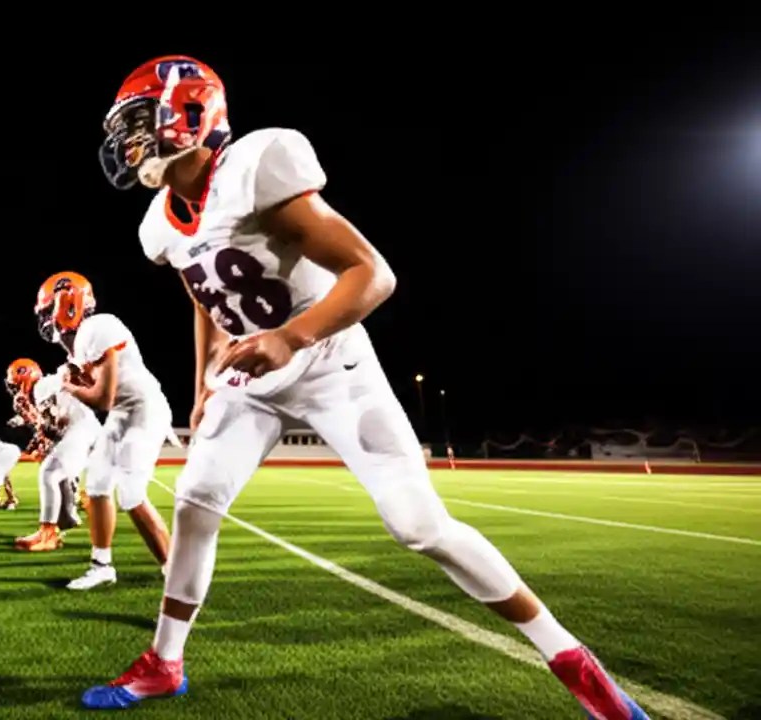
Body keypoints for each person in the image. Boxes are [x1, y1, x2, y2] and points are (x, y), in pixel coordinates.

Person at [81, 55, 650, 720]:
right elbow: (201, 292)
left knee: (419, 526)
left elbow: (371, 274)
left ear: (192, 111)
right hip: (249, 375)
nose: (127, 143)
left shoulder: (259, 164)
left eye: (140, 123)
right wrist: (204, 378)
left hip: (329, 365)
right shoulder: (158, 222)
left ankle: (575, 663)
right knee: (196, 500)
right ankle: (165, 661)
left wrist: (290, 338)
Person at [36, 272, 172, 590]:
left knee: (131, 492)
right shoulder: (81, 343)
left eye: (46, 311)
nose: (45, 320)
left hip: (144, 410)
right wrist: (75, 379)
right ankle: (101, 566)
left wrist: (70, 386)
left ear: (66, 304)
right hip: (124, 413)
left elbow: (103, 398)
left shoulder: (98, 327)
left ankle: (174, 567)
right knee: (96, 486)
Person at [7, 358, 97, 550]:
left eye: (15, 385)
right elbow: (52, 428)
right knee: (55, 470)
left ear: (25, 377)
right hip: (80, 433)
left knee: (49, 473)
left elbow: (64, 372)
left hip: (81, 430)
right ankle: (65, 519)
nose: (15, 391)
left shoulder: (44, 385)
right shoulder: (39, 396)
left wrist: (69, 369)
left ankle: (47, 533)